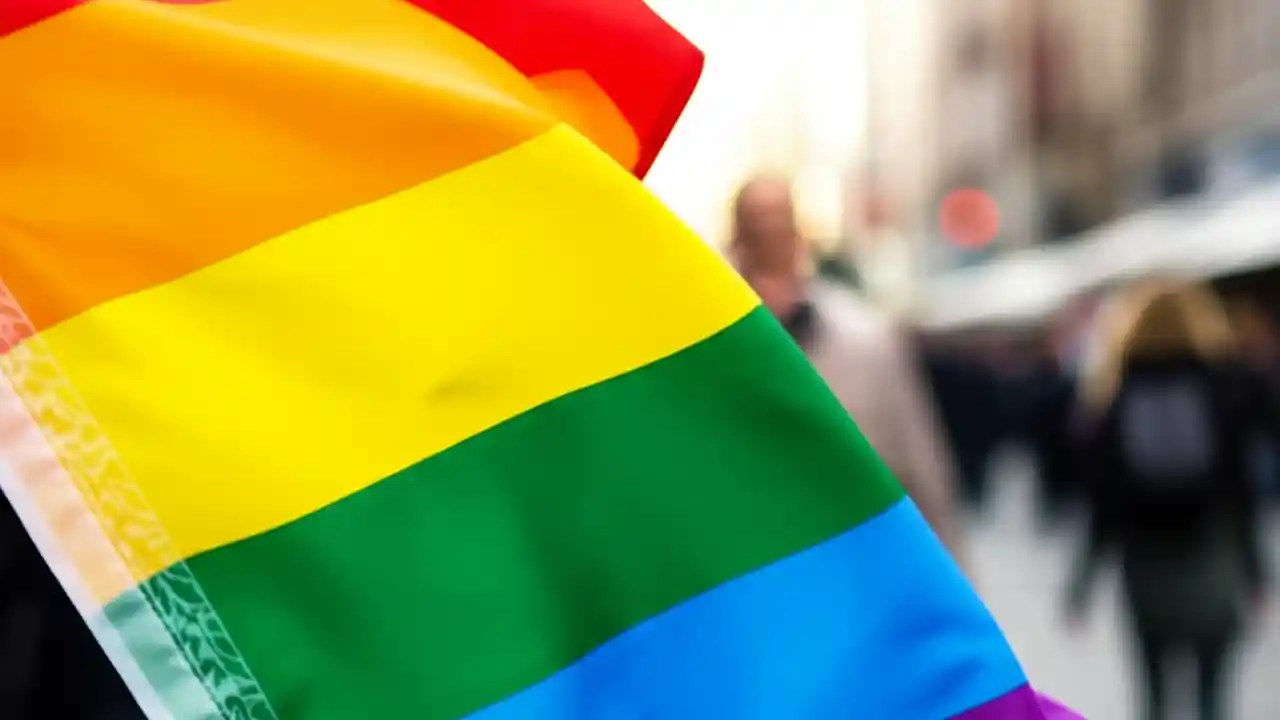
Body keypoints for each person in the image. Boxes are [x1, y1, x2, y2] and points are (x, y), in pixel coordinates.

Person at [729, 176, 966, 563]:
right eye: (757, 227)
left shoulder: (868, 339)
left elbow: (920, 465)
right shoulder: (712, 351)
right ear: (738, 240)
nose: (768, 235)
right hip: (757, 563)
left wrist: (951, 575)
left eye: (777, 223)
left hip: (856, 560)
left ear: (798, 234)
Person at [1066, 279, 1270, 720]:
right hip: (1212, 561)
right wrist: (1258, 572)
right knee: (1213, 697)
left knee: (1154, 696)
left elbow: (1104, 506)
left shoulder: (1114, 397)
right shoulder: (1225, 390)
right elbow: (1242, 493)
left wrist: (1081, 584)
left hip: (1145, 569)